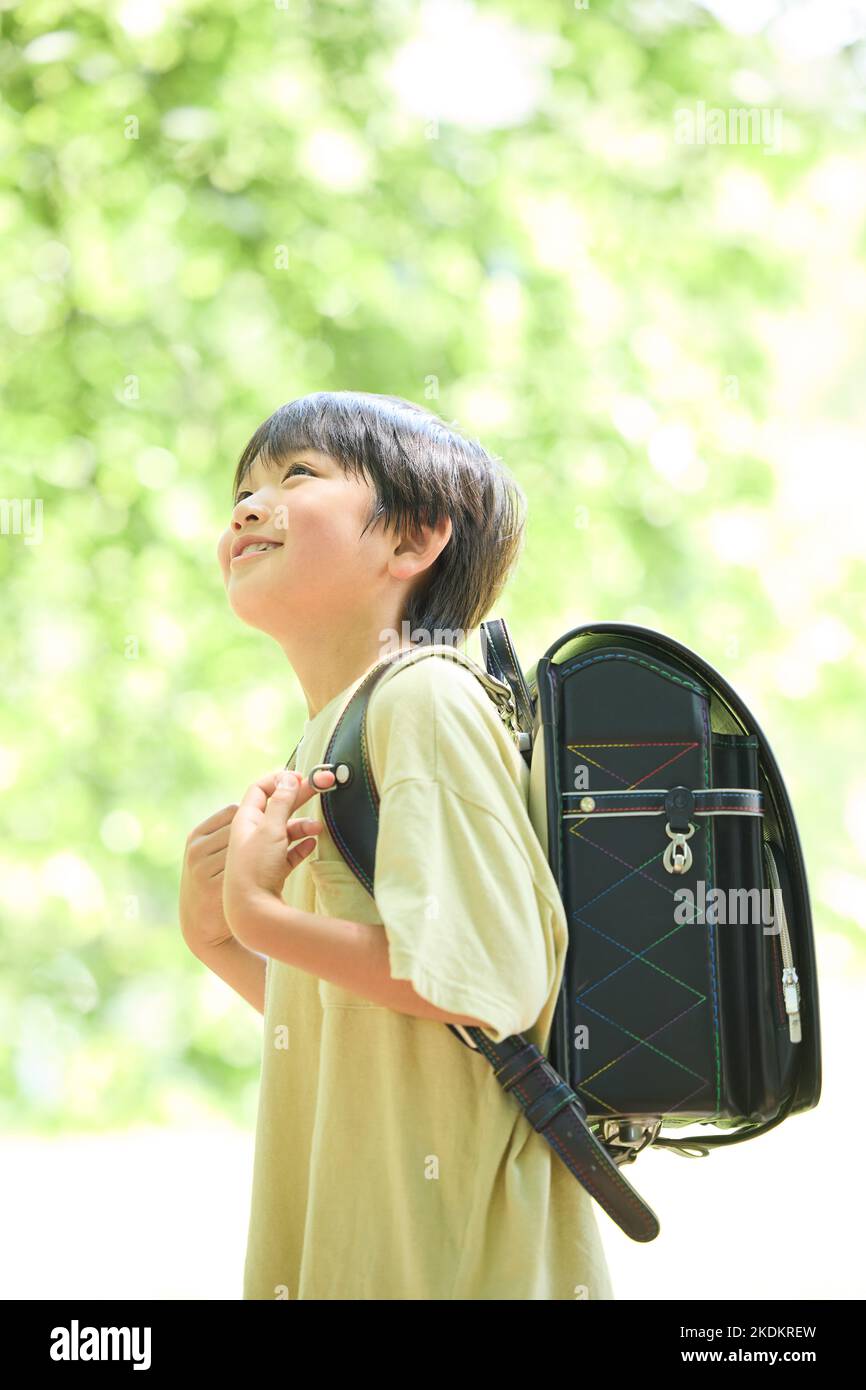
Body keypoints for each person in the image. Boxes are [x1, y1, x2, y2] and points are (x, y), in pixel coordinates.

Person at [179, 390, 614, 1300]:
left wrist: (258, 915)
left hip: (451, 1258)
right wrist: (223, 939)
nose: (247, 507)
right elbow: (387, 1030)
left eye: (297, 475)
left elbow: (484, 983)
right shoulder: (327, 733)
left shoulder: (423, 697)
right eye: (244, 488)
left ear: (413, 541)